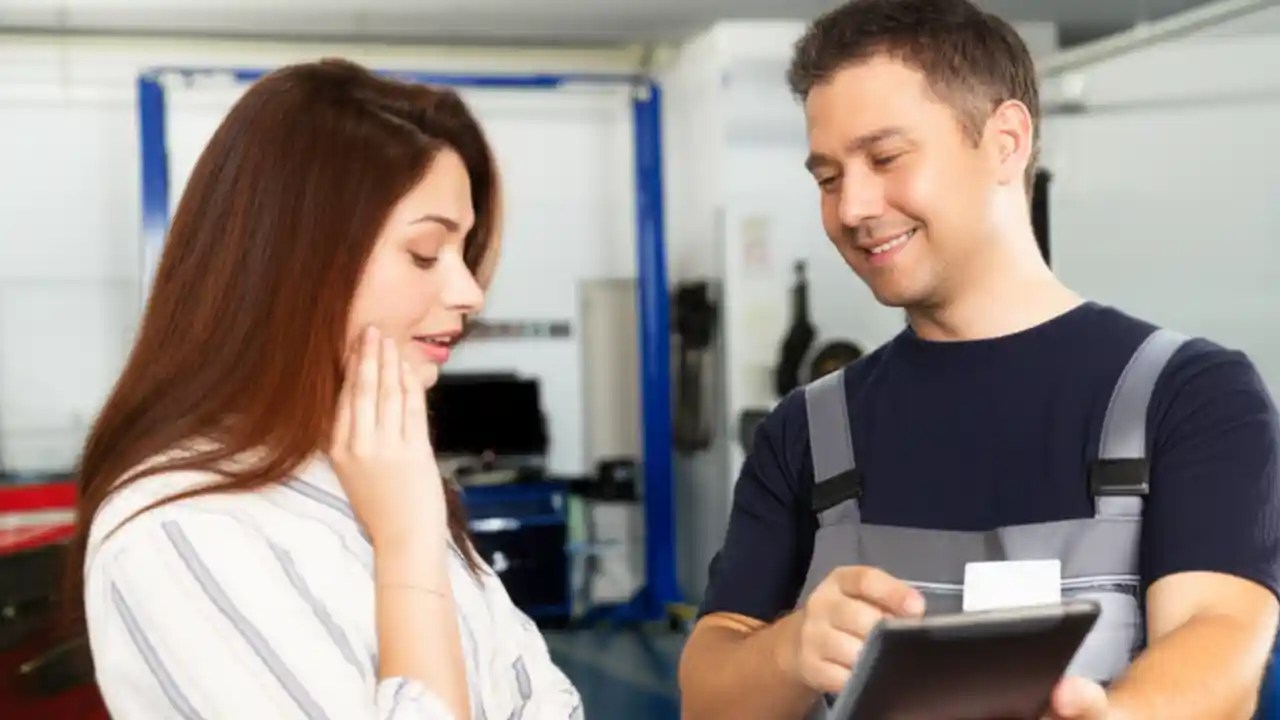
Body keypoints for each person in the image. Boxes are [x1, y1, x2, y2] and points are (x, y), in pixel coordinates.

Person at [678, 1, 1280, 719]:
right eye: (828, 177)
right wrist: (791, 648)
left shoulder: (1187, 397)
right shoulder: (807, 431)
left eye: (885, 158)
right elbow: (707, 695)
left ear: (1005, 141)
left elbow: (1219, 643)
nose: (853, 207)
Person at [68, 58, 583, 719]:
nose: (469, 293)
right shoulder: (176, 532)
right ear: (297, 262)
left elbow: (549, 699)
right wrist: (406, 546)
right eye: (426, 253)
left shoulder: (377, 475)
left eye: (465, 253)